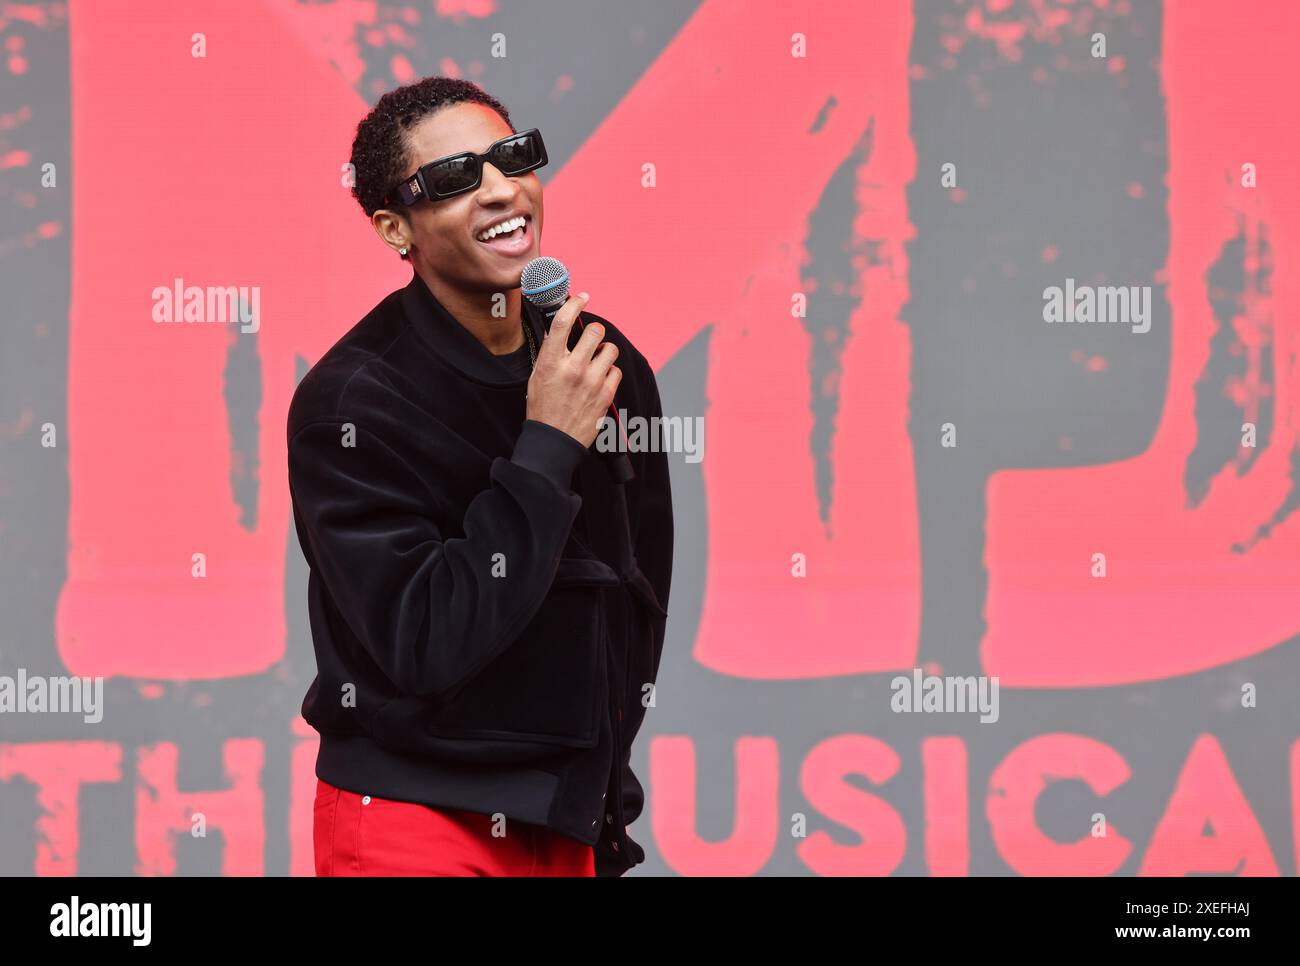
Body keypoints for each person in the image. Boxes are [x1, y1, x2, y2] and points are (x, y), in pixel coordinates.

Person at [287, 77, 673, 876]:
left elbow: (634, 597)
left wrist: (601, 795)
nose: (502, 189)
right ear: (397, 228)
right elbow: (425, 642)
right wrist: (544, 445)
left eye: (512, 156)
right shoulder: (353, 405)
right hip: (418, 818)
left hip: (566, 821)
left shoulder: (603, 363)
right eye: (456, 177)